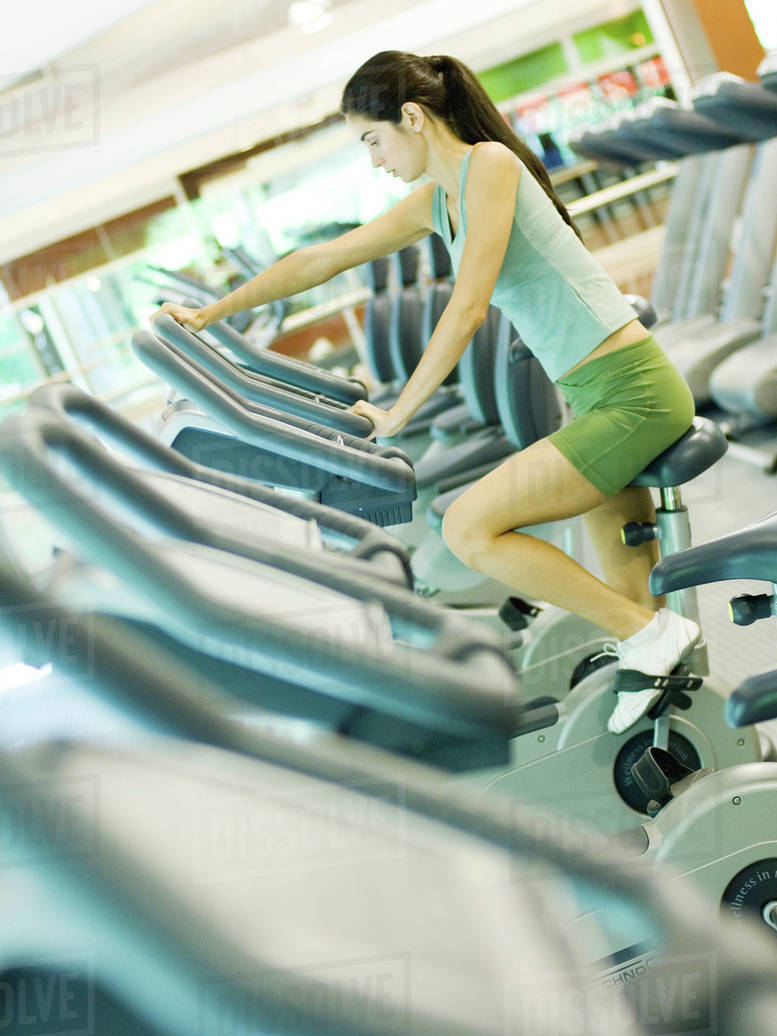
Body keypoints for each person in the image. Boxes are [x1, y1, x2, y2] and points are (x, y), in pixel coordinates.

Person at [156, 49, 700, 735]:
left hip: (633, 395)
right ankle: (668, 699)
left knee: (469, 527)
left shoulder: (490, 166)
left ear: (412, 118)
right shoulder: (435, 201)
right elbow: (320, 259)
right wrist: (210, 314)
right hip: (593, 399)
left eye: (372, 140)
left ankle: (650, 639)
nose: (374, 160)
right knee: (636, 613)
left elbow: (467, 307)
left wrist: (398, 412)